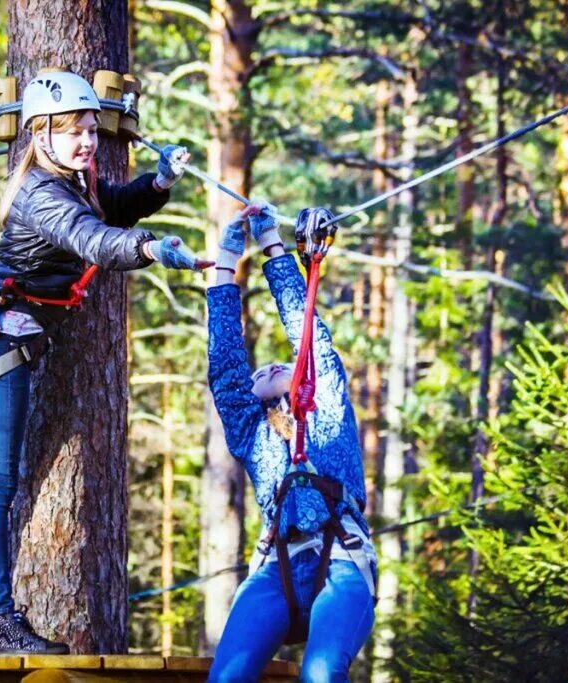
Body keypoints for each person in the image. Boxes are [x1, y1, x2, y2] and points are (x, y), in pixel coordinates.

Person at [0, 70, 210, 656]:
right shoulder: (42, 194)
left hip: (0, 341)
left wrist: (161, 181)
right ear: (41, 135)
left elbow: (110, 207)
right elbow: (92, 237)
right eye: (74, 133)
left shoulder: (74, 180)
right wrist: (149, 248)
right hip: (2, 345)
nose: (88, 143)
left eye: (91, 131)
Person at [205, 204, 377, 682]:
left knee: (320, 674)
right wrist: (225, 261)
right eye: (263, 372)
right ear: (254, 394)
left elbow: (309, 337)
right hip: (279, 566)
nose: (274, 368)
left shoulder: (328, 410)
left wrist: (274, 246)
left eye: (283, 365)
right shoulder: (252, 433)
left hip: (341, 556)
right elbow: (225, 365)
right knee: (226, 678)